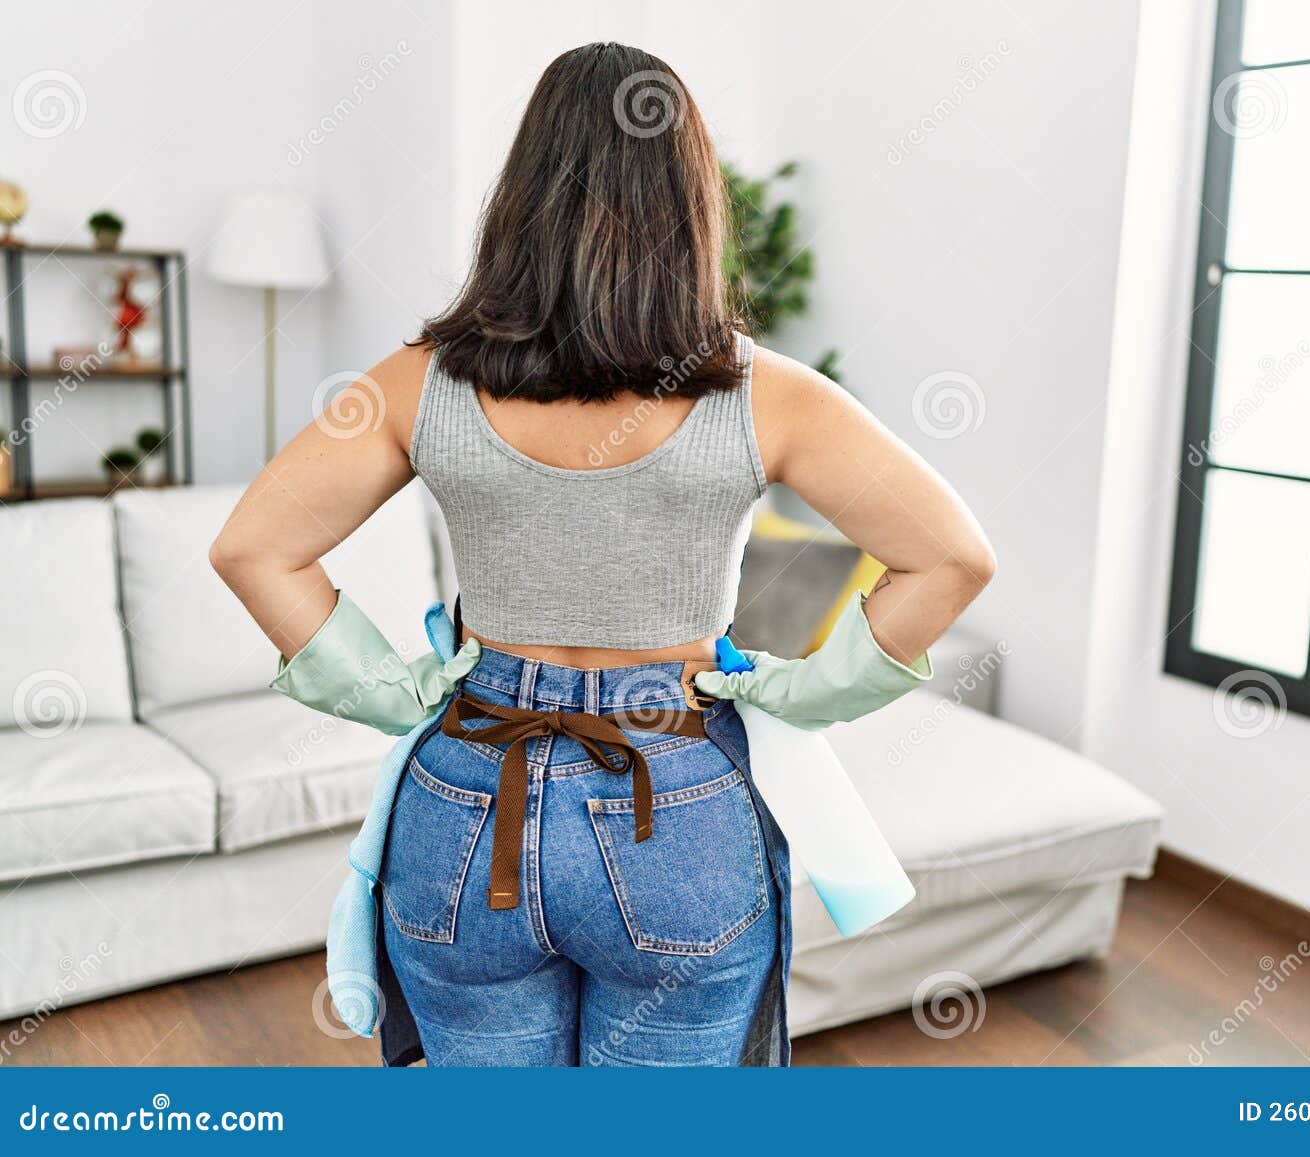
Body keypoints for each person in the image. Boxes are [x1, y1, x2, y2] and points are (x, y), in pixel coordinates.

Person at [210, 41, 995, 1067]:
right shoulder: (770, 394)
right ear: (692, 207)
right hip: (679, 808)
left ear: (520, 197)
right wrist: (801, 695)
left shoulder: (418, 383)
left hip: (464, 801)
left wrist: (399, 692)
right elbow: (951, 558)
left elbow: (255, 547)